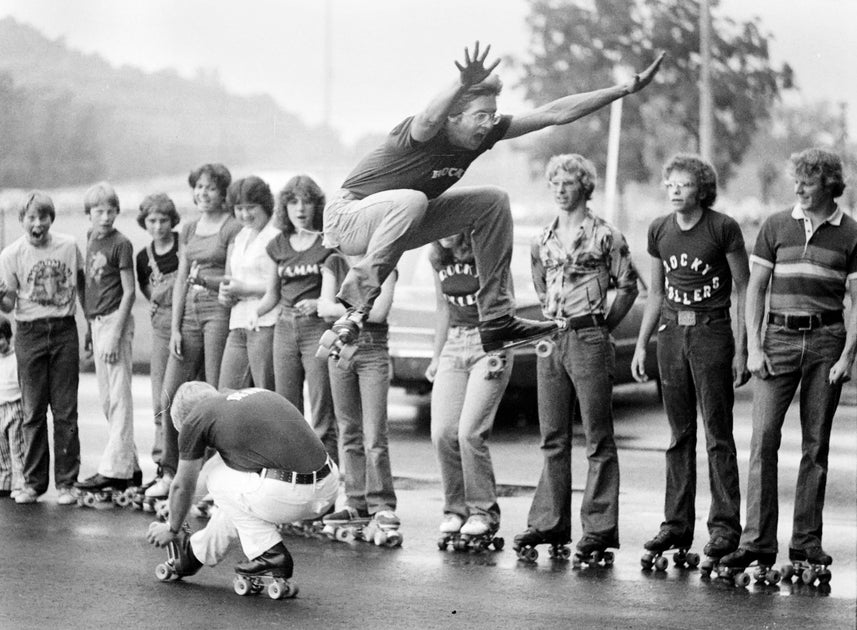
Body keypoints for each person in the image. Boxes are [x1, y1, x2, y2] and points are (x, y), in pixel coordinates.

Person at [321, 42, 663, 356]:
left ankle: (497, 319)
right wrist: (460, 82)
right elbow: (428, 116)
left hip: (400, 222)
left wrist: (623, 89)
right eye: (479, 116)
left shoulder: (487, 132)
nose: (488, 125)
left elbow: (553, 113)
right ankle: (358, 304)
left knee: (493, 202)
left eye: (492, 115)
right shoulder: (422, 134)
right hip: (347, 218)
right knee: (413, 200)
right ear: (453, 117)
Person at [721, 148, 857, 572]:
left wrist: (848, 354)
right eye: (795, 181)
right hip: (778, 338)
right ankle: (757, 542)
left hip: (827, 339)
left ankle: (805, 543)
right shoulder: (777, 225)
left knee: (815, 445)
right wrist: (755, 347)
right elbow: (755, 289)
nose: (798, 188)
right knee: (763, 440)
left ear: (830, 186)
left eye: (808, 182)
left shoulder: (851, 233)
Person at [513, 154, 639, 559]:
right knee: (552, 436)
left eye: (568, 183)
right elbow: (539, 284)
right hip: (552, 337)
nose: (560, 190)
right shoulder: (541, 239)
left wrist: (603, 325)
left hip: (589, 335)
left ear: (584, 187)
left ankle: (599, 528)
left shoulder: (607, 236)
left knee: (598, 436)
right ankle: (549, 523)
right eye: (555, 183)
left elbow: (628, 286)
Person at [630, 154, 750, 563]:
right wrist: (643, 343)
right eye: (670, 185)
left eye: (683, 185)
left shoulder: (722, 227)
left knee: (718, 433)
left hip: (711, 331)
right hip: (671, 333)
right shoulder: (659, 229)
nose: (675, 191)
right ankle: (676, 524)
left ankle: (724, 528)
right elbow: (656, 293)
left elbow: (744, 288)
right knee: (679, 434)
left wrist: (743, 348)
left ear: (701, 188)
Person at [146, 382, 338, 583]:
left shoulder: (196, 418)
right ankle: (196, 554)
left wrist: (172, 527)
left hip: (296, 495)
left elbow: (185, 485)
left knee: (218, 480)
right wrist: (175, 506)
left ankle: (269, 553)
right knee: (233, 493)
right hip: (328, 483)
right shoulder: (247, 397)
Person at [146, 164, 241, 502]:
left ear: (223, 192)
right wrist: (173, 327)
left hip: (218, 313)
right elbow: (182, 279)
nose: (203, 193)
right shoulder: (188, 229)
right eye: (198, 187)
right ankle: (168, 470)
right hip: (187, 317)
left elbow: (230, 277)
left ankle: (216, 481)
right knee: (169, 396)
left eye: (210, 188)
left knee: (216, 397)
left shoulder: (232, 227)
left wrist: (209, 283)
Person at [425, 232, 512, 541]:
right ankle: (455, 509)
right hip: (454, 344)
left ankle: (482, 512)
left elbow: (505, 302)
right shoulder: (436, 256)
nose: (444, 234)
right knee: (442, 432)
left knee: (469, 433)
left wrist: (499, 349)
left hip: (487, 343)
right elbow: (443, 308)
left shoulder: (486, 249)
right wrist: (436, 356)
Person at [0, 191, 85, 505]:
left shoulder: (68, 246)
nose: (37, 224)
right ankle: (34, 484)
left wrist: (90, 325)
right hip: (30, 332)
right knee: (33, 411)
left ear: (52, 219)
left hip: (64, 329)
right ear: (22, 220)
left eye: (43, 217)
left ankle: (67, 484)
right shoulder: (11, 254)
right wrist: (0, 297)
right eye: (31, 218)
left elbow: (81, 284)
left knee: (65, 411)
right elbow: (9, 303)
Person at [256, 175, 337, 463]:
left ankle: (328, 472)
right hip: (285, 328)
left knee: (322, 405)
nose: (300, 208)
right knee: (287, 407)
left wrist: (319, 302)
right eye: (293, 202)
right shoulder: (278, 245)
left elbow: (341, 292)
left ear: (317, 205)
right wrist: (253, 314)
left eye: (307, 201)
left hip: (318, 328)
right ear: (284, 207)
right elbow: (271, 295)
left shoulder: (329, 243)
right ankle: (295, 470)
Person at [317, 253, 399, 530]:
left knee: (374, 433)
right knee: (348, 430)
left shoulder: (384, 263)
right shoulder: (335, 262)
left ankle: (382, 504)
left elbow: (379, 313)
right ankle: (355, 502)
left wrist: (342, 310)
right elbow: (322, 307)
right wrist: (359, 309)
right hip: (339, 349)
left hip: (373, 351)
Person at [74, 182, 142, 497]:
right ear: (88, 214)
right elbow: (90, 289)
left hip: (116, 322)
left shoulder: (121, 244)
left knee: (118, 397)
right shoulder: (90, 239)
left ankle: (115, 470)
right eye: (99, 211)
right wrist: (91, 329)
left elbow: (129, 291)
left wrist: (114, 333)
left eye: (111, 210)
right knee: (108, 399)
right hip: (98, 324)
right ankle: (132, 467)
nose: (105, 216)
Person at [135, 193, 181, 489]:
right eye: (152, 220)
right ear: (144, 222)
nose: (158, 226)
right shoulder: (143, 257)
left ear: (172, 220)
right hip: (161, 328)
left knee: (184, 396)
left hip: (188, 324)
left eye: (164, 220)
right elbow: (146, 289)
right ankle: (163, 465)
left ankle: (191, 464)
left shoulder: (183, 245)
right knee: (159, 400)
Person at [217, 176, 279, 391]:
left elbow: (279, 287)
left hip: (265, 323)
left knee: (265, 391)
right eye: (239, 208)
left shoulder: (275, 237)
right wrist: (225, 295)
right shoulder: (240, 237)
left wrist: (245, 289)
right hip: (237, 322)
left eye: (251, 207)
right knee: (226, 392)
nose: (244, 214)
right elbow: (231, 278)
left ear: (265, 205)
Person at [0, 314, 25, 499]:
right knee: (2, 450)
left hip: (15, 406)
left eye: (0, 339)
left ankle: (20, 484)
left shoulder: (16, 358)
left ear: (8, 337)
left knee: (17, 448)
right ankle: (4, 482)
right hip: (0, 407)